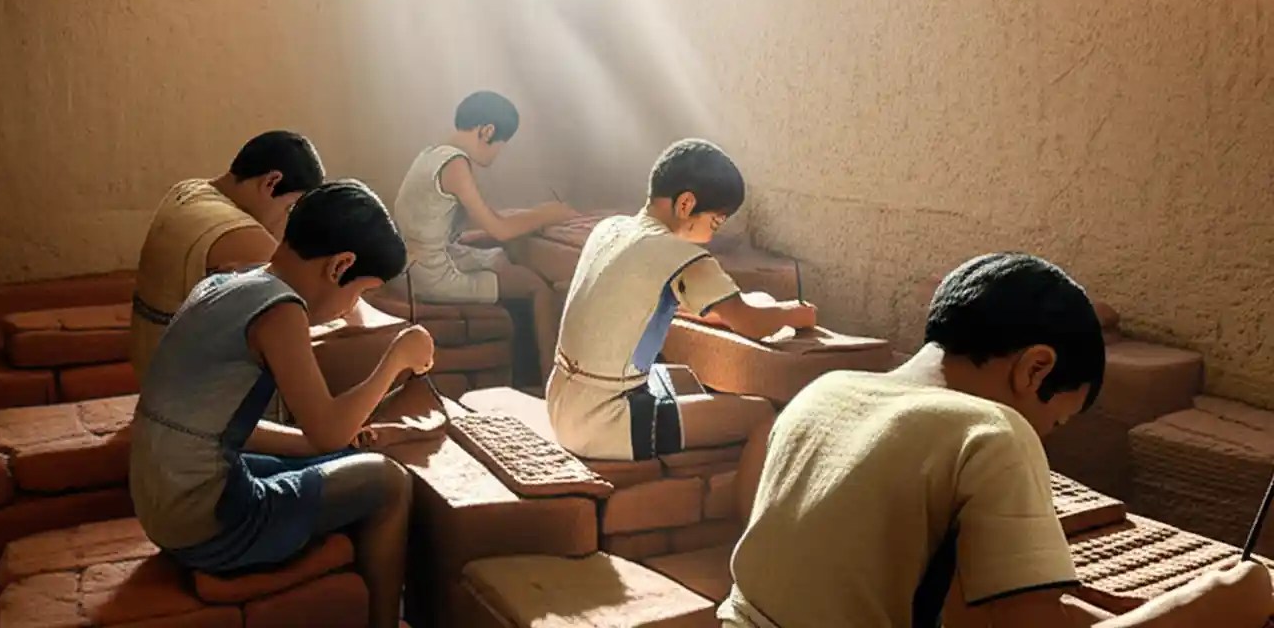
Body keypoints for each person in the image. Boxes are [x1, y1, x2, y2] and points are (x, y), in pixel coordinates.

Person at [719, 252, 1274, 628]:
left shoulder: (826, 391)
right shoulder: (991, 431)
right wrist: (1208, 602)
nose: (1042, 438)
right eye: (1053, 423)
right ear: (1035, 369)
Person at [130, 180, 437, 628]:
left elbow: (226, 429)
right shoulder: (280, 311)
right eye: (360, 292)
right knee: (387, 482)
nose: (354, 304)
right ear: (340, 266)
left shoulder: (226, 283)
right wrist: (397, 358)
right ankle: (385, 622)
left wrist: (323, 450)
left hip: (162, 505)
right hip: (207, 522)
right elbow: (328, 428)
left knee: (338, 455)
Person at [546, 138, 817, 461]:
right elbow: (751, 322)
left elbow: (700, 311)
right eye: (715, 222)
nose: (712, 235)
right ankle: (754, 510)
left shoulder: (610, 229)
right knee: (760, 414)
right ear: (686, 204)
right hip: (606, 422)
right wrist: (796, 314)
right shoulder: (678, 254)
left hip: (562, 403)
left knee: (683, 379)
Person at [392, 91, 577, 383]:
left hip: (414, 266)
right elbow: (499, 228)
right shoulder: (455, 164)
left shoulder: (431, 154)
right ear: (487, 131)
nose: (497, 154)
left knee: (500, 255)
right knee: (536, 286)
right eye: (500, 146)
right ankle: (551, 382)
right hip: (433, 275)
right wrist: (548, 214)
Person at [130, 130, 325, 382]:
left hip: (149, 369)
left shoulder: (188, 191)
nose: (287, 221)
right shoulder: (240, 234)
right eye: (289, 207)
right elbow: (306, 308)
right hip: (187, 391)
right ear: (271, 183)